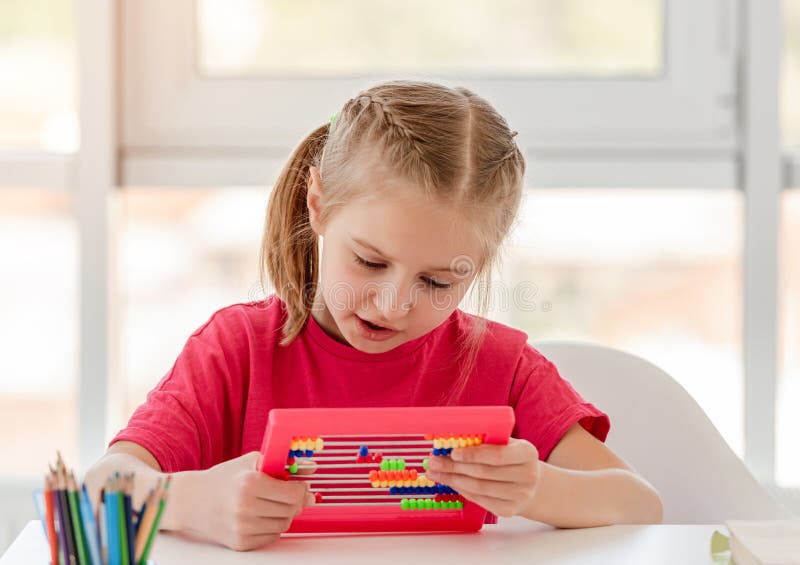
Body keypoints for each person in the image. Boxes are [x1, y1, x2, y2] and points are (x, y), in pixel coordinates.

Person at [85, 80, 662, 551]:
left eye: (438, 280)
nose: (393, 305)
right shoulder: (238, 350)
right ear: (318, 206)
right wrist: (191, 503)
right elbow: (96, 491)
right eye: (369, 261)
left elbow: (640, 503)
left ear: (481, 264)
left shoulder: (501, 367)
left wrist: (536, 489)